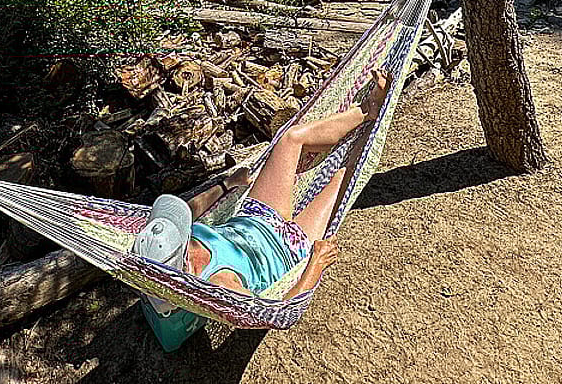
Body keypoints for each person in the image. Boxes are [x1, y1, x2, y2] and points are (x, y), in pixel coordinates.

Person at [133, 68, 392, 349]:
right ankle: (370, 126)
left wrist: (226, 185)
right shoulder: (219, 286)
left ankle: (367, 111)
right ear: (181, 258)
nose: (181, 225)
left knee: (290, 139)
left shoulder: (161, 243)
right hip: (289, 247)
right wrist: (316, 263)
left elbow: (189, 209)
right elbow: (277, 314)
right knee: (345, 172)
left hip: (256, 216)